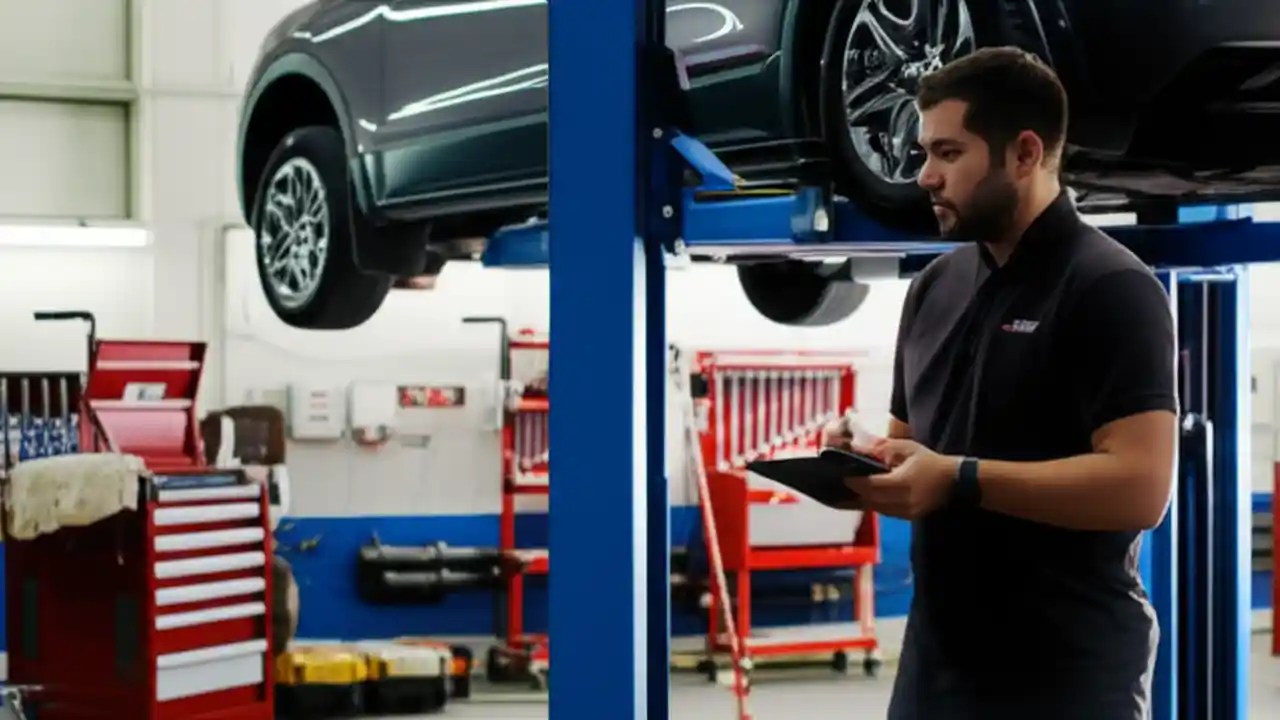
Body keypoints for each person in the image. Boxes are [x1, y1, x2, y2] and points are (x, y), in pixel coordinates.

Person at [826, 47, 1179, 719]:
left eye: (949, 154)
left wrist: (959, 477)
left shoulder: (1111, 288)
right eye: (924, 152)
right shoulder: (935, 288)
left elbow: (1140, 488)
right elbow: (917, 456)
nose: (926, 175)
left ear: (1024, 153)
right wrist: (863, 462)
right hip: (939, 674)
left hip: (1064, 680)